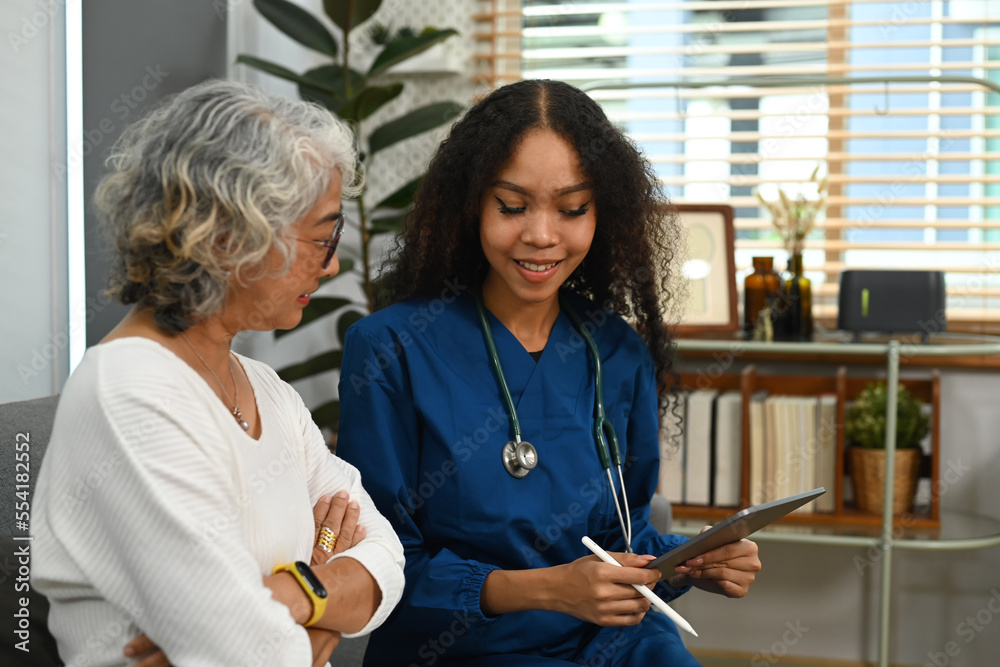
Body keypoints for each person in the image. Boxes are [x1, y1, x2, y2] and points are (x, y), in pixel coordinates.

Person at [336, 79, 761, 666]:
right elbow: (382, 562)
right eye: (511, 206)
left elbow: (623, 540)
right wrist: (552, 590)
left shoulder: (618, 352)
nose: (541, 235)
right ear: (472, 205)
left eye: (572, 209)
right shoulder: (390, 349)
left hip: (609, 644)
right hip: (462, 651)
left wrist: (692, 561)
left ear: (601, 212)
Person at [31, 79, 404, 667]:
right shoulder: (130, 394)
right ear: (232, 236)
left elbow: (388, 560)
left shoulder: (266, 390)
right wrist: (321, 596)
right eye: (321, 236)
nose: (332, 265)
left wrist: (292, 594)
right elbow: (247, 652)